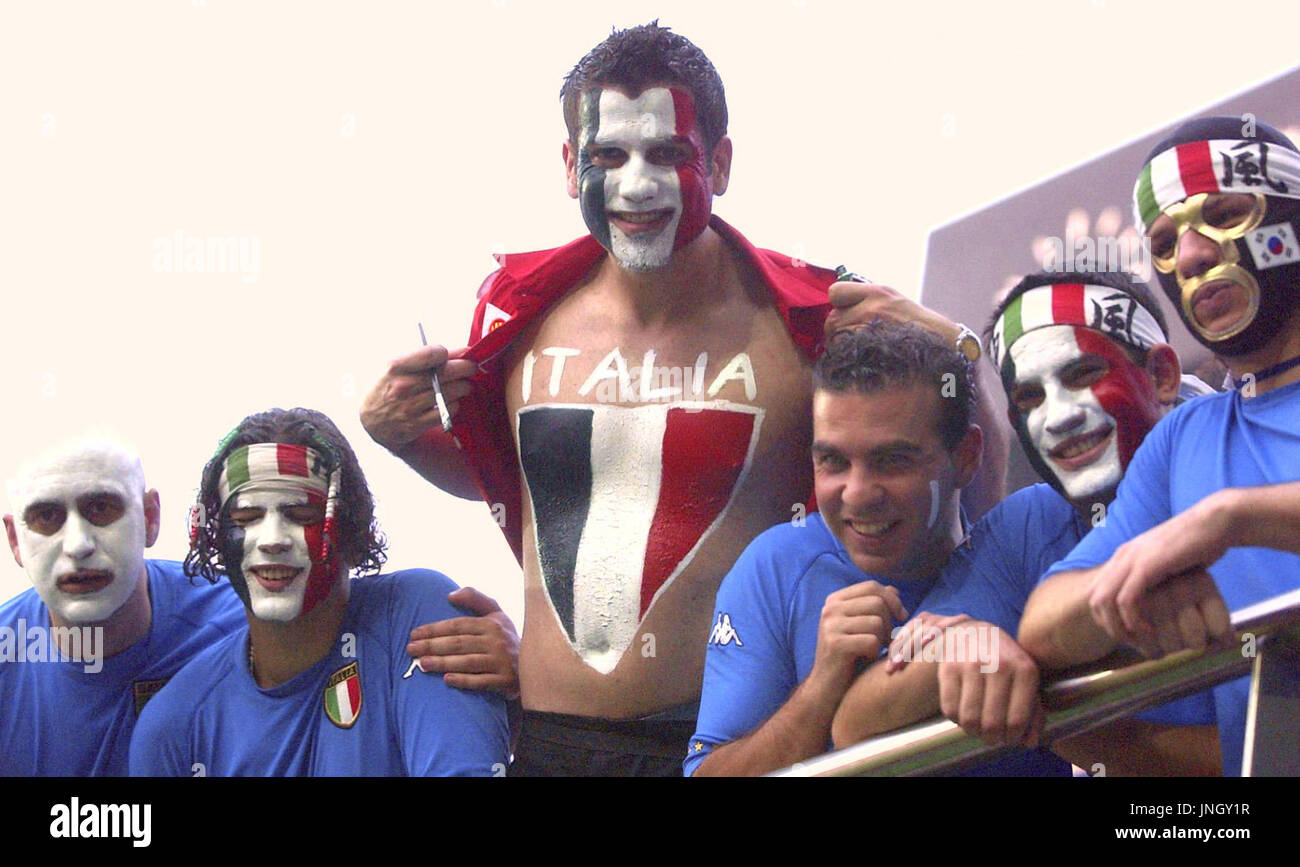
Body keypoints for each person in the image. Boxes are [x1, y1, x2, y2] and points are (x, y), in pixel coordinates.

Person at [360, 21, 1003, 776]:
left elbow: (961, 495)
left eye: (668, 154)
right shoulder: (517, 319)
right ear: (571, 167)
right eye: (609, 155)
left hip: (745, 738)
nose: (637, 185)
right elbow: (529, 483)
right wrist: (402, 437)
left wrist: (966, 357)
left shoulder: (804, 320)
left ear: (721, 162)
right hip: (549, 740)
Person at [830, 270, 1221, 775]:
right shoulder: (1031, 523)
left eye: (1082, 374)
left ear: (1162, 375)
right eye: (1030, 398)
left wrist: (1051, 704)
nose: (1059, 418)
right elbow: (856, 724)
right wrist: (963, 643)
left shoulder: (1246, 461)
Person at [1019, 117, 1300, 776]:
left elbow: (1224, 520)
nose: (1195, 257)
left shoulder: (1208, 491)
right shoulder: (1184, 437)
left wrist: (1228, 519)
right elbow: (1043, 623)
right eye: (1166, 242)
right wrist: (1129, 595)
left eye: (1227, 214)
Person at [683, 320, 1068, 776]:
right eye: (833, 461)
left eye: (892, 460)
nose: (857, 494)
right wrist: (822, 686)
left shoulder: (1033, 543)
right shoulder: (778, 568)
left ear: (966, 456)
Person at [129, 408, 509, 776]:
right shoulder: (174, 725)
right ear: (217, 539)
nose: (272, 540)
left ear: (351, 525)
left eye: (303, 516)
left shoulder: (417, 620)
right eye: (247, 519)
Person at [1, 438, 244, 776]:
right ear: (15, 540)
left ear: (150, 517)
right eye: (46, 516)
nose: (78, 546)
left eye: (100, 509)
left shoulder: (245, 621)